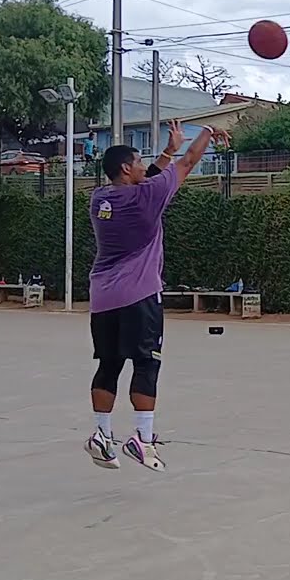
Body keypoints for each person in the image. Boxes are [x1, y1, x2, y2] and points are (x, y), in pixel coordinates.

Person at [83, 121, 226, 472]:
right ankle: (143, 440)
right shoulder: (147, 196)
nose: (141, 165)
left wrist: (164, 154)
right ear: (125, 168)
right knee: (147, 363)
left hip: (103, 295)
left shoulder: (100, 198)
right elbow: (190, 162)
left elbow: (149, 176)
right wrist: (205, 132)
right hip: (140, 294)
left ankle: (101, 436)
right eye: (137, 161)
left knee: (110, 364)